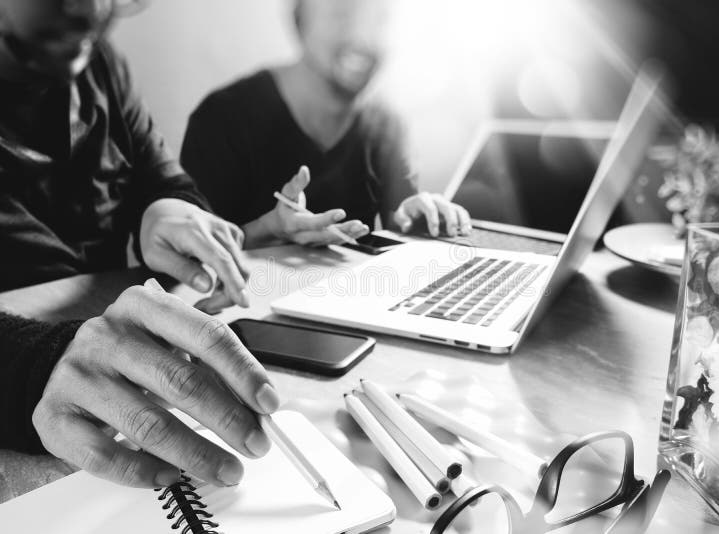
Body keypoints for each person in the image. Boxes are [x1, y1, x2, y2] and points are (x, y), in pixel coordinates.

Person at [0, 0, 279, 488]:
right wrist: (36, 367)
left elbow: (159, 174)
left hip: (113, 373)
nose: (94, 10)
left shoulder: (100, 63)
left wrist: (165, 209)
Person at [181, 0, 472, 251]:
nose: (362, 36)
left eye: (379, 18)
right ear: (300, 18)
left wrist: (419, 219)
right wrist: (266, 231)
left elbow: (400, 223)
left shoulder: (388, 123)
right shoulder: (224, 117)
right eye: (342, 13)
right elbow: (185, 259)